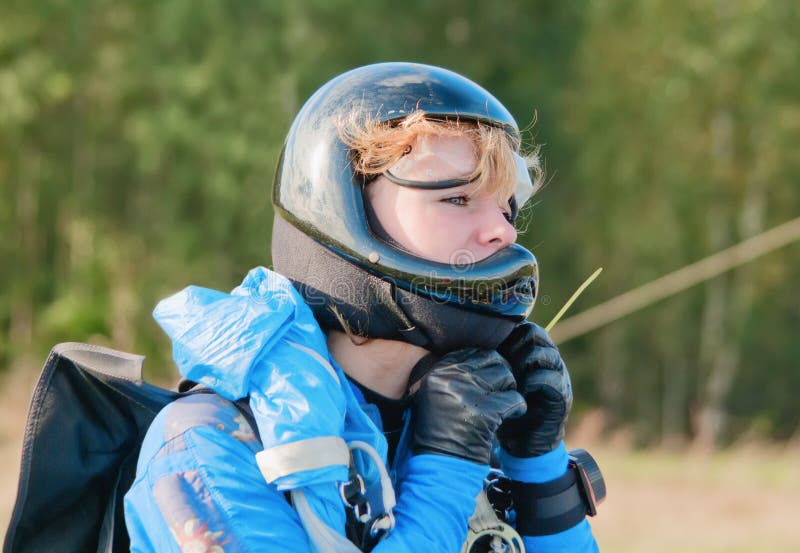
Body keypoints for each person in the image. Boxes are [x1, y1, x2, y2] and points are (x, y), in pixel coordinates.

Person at [124, 62, 601, 552]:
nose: (504, 231)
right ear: (343, 217)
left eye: (504, 206)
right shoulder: (209, 447)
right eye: (458, 199)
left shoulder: (469, 423)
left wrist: (537, 465)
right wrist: (445, 471)